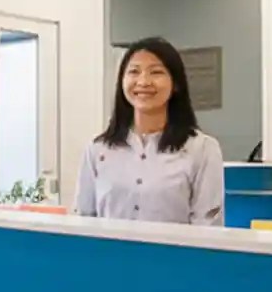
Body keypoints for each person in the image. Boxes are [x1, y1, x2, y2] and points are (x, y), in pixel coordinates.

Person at [75, 37, 224, 226]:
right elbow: (84, 222)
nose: (143, 81)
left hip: (174, 255)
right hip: (109, 255)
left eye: (156, 72)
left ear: (176, 84)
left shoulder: (202, 149)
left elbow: (207, 229)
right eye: (134, 72)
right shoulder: (97, 150)